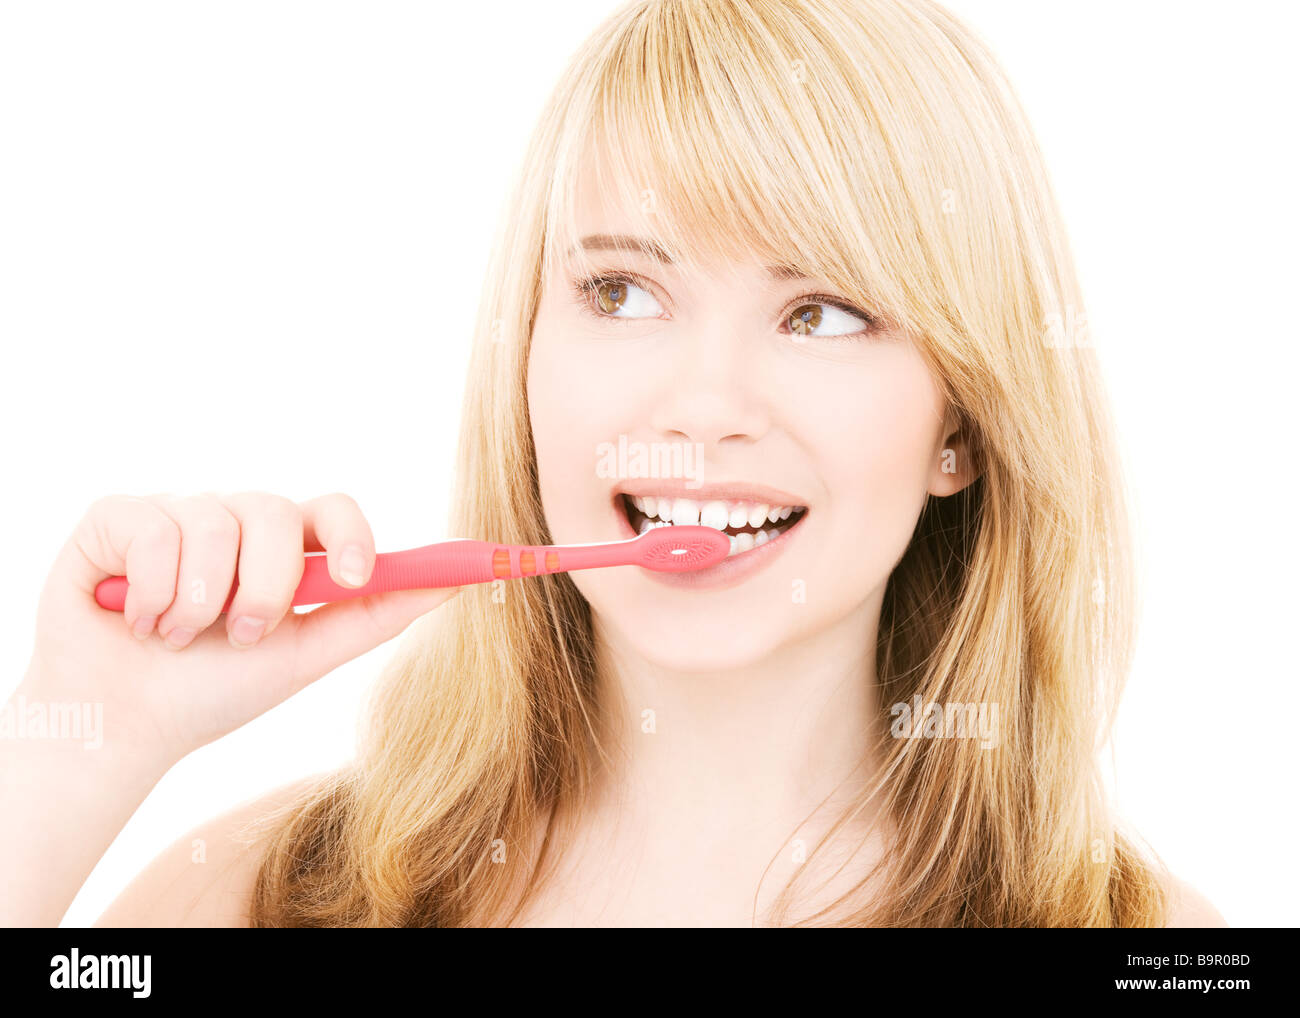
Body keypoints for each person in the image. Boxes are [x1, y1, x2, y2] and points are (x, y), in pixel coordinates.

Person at [3, 0, 1225, 927]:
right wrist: (78, 753)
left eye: (825, 312)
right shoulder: (262, 899)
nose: (700, 403)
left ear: (957, 425)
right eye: (621, 290)